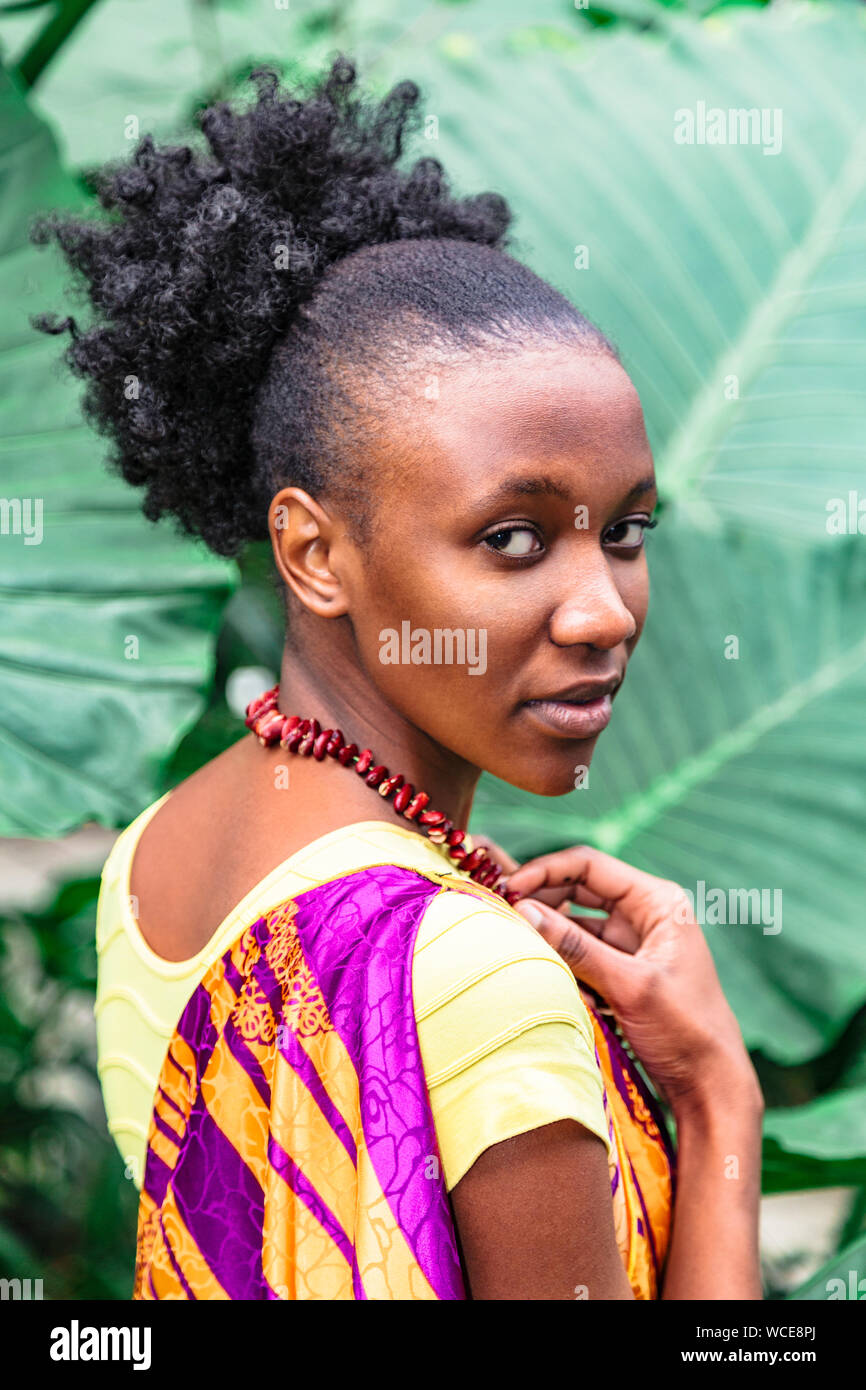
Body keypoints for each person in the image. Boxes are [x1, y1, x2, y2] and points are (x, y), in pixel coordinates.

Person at [32, 56, 763, 1300]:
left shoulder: (147, 860)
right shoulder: (475, 983)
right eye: (513, 539)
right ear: (314, 552)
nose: (601, 610)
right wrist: (717, 1098)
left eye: (624, 531)